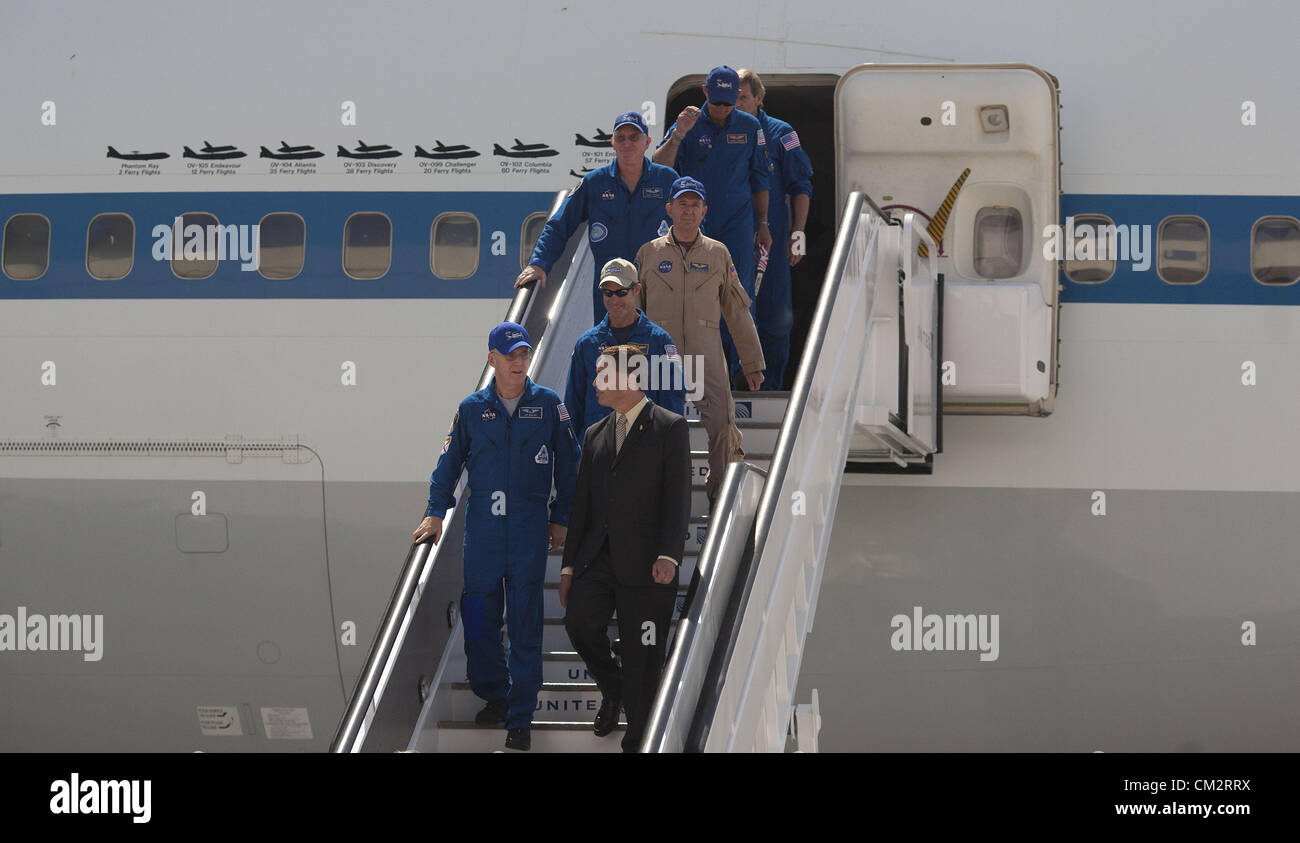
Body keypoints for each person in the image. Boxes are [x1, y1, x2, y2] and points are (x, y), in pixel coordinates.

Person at [412, 321, 578, 752]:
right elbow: (448, 464)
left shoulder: (548, 406)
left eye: (523, 355)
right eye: (510, 356)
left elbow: (571, 468)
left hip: (527, 535)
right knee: (480, 623)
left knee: (525, 625)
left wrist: (560, 517)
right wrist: (435, 513)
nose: (519, 362)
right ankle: (496, 695)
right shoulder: (471, 410)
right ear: (492, 359)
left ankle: (519, 718)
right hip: (483, 536)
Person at [560, 345, 691, 751]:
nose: (594, 381)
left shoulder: (669, 427)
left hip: (648, 567)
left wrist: (669, 555)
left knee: (643, 659)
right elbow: (580, 506)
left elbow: (678, 496)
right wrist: (568, 570)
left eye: (602, 373)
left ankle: (637, 741)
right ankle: (612, 687)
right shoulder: (594, 434)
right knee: (580, 623)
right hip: (597, 562)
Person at [636, 177, 764, 503]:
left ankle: (720, 503)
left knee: (723, 428)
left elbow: (736, 310)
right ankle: (658, 506)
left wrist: (751, 363)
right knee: (655, 434)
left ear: (704, 210)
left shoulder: (718, 254)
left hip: (705, 357)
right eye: (682, 203)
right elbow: (631, 315)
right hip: (662, 360)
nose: (688, 211)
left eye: (695, 205)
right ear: (670, 208)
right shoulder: (648, 254)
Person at [652, 65, 770, 377]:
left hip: (737, 223)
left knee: (739, 296)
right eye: (715, 102)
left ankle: (738, 372)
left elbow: (760, 180)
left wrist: (764, 223)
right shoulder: (688, 122)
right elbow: (659, 167)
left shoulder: (749, 125)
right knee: (693, 296)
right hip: (695, 224)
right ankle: (693, 371)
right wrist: (679, 134)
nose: (720, 110)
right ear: (705, 93)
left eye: (727, 103)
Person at [517, 111, 679, 324]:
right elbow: (558, 225)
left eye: (634, 137)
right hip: (611, 293)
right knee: (611, 354)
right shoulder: (594, 183)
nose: (627, 143)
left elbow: (692, 226)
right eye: (620, 138)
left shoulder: (667, 179)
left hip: (657, 288)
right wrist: (539, 263)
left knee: (654, 351)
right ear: (613, 142)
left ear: (647, 142)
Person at [736, 68, 814, 391]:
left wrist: (798, 232)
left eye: (742, 97)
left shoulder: (783, 134)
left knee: (775, 319)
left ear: (759, 98)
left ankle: (770, 389)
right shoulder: (720, 133)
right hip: (734, 238)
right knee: (733, 315)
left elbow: (801, 185)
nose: (737, 104)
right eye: (732, 98)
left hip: (774, 241)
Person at [564, 258, 686, 437]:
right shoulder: (587, 343)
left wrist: (670, 445)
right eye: (607, 293)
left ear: (636, 290)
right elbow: (573, 402)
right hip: (598, 448)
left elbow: (673, 399)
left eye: (621, 292)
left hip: (644, 446)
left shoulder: (659, 340)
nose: (614, 299)